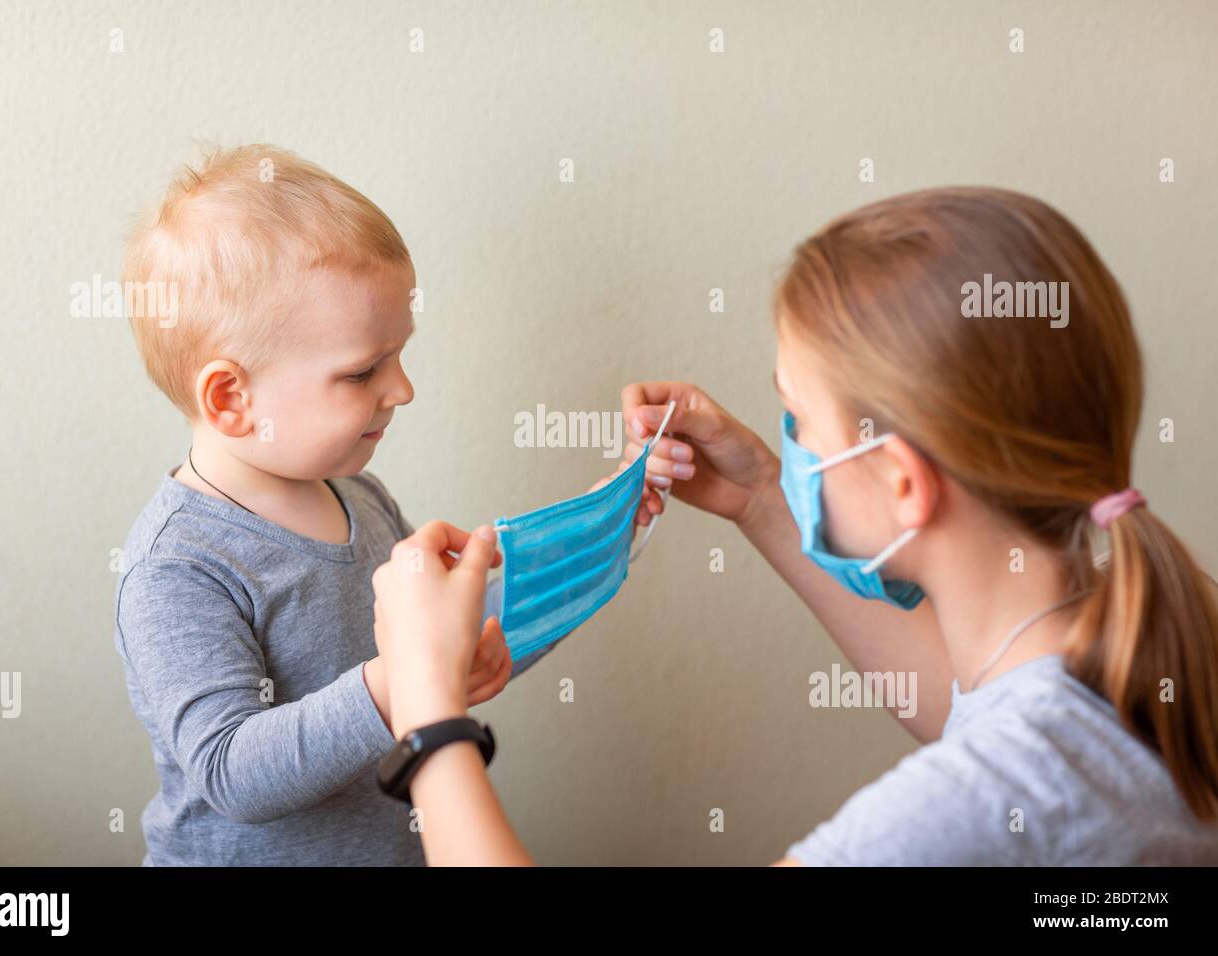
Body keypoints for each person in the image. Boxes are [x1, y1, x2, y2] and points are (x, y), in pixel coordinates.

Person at [370, 186, 1218, 865]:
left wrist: (430, 716)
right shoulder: (1140, 653)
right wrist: (762, 497)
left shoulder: (954, 813)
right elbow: (965, 707)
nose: (792, 443)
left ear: (900, 482)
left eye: (797, 418)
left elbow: (988, 783)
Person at [112, 145, 658, 865]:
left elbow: (454, 653)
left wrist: (604, 526)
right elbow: (229, 771)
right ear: (230, 398)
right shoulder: (177, 568)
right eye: (364, 370)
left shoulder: (358, 496)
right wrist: (394, 677)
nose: (401, 390)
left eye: (398, 356)